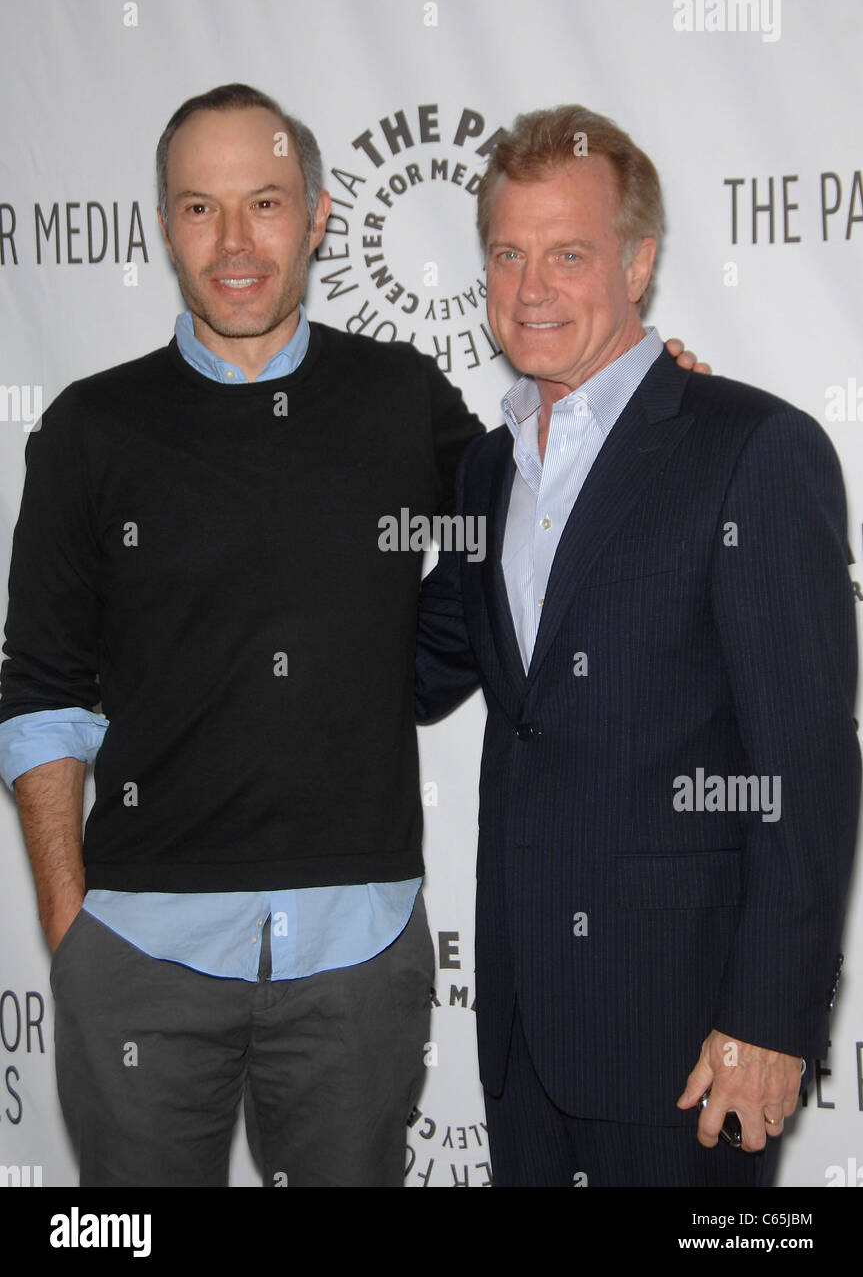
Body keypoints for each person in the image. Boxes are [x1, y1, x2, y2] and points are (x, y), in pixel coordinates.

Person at [0, 84, 698, 1189]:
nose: (234, 242)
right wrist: (69, 925)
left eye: (265, 201)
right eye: (200, 208)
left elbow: (527, 518)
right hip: (138, 956)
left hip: (358, 956)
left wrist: (646, 400)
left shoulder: (399, 396)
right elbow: (40, 687)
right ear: (165, 223)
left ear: (318, 215)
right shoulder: (91, 425)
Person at [415, 104, 860, 1188]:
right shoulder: (484, 472)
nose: (529, 288)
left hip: (687, 1042)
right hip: (520, 1037)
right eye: (507, 254)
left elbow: (802, 767)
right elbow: (409, 668)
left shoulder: (749, 447)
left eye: (567, 255)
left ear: (638, 261)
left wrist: (769, 1017)